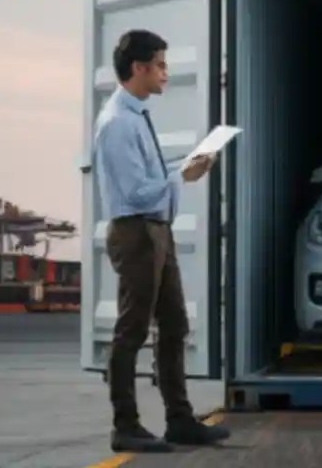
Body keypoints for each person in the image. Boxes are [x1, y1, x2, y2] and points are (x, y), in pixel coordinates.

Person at [93, 29, 230, 453]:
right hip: (136, 231)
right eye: (161, 64)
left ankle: (180, 420)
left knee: (174, 325)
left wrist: (183, 166)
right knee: (132, 329)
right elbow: (134, 192)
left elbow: (147, 179)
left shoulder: (135, 114)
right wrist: (180, 177)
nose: (166, 73)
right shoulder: (116, 122)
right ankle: (126, 426)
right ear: (140, 68)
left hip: (156, 229)